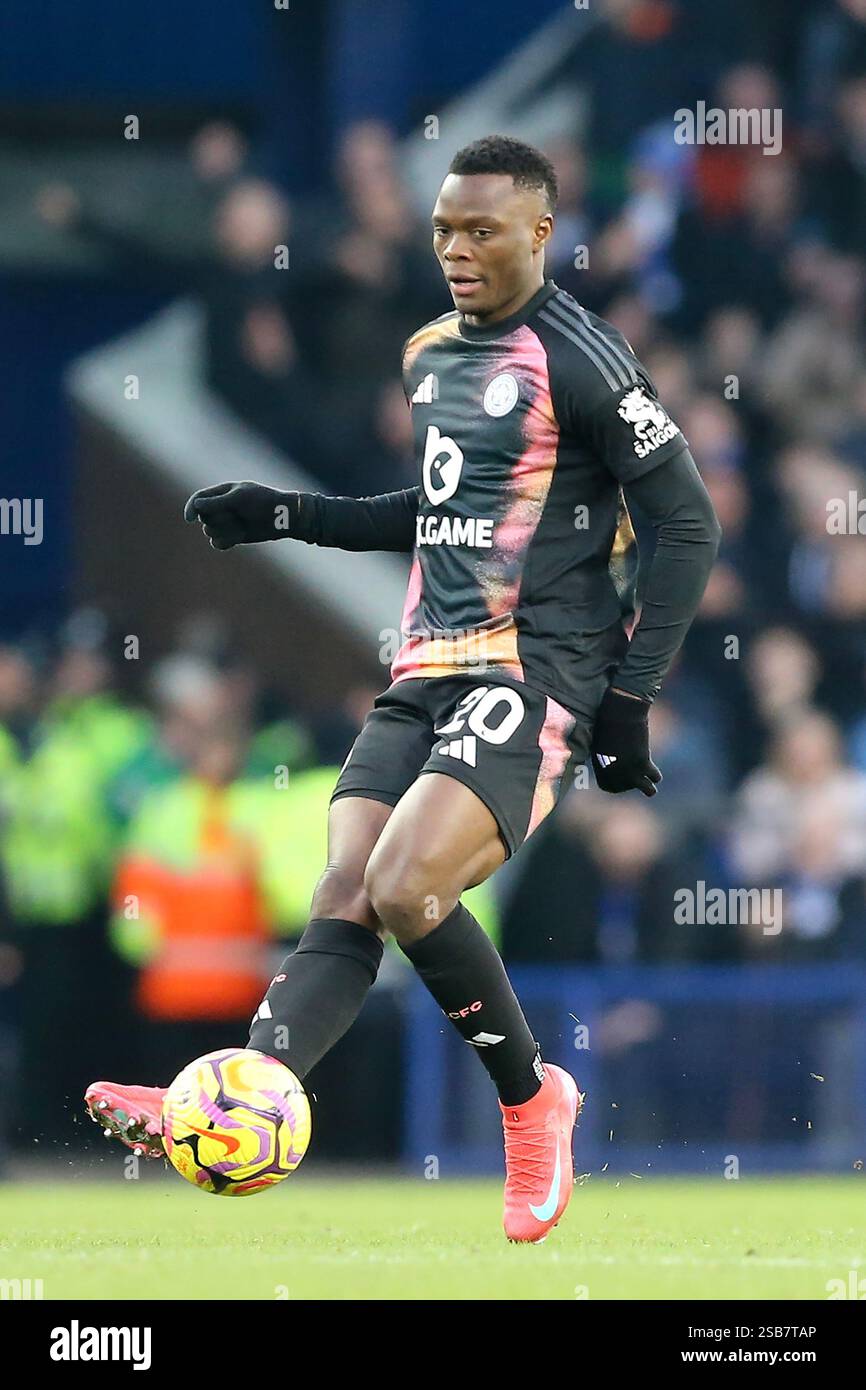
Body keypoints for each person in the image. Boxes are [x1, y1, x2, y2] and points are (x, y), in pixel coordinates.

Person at [86, 135, 720, 1243]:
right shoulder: (430, 350)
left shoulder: (583, 357)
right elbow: (438, 512)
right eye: (442, 231)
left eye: (482, 230)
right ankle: (232, 1095)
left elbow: (686, 518)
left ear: (539, 231)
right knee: (344, 895)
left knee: (407, 885)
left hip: (534, 671)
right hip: (422, 664)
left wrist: (628, 694)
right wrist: (288, 512)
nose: (457, 250)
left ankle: (533, 1102)